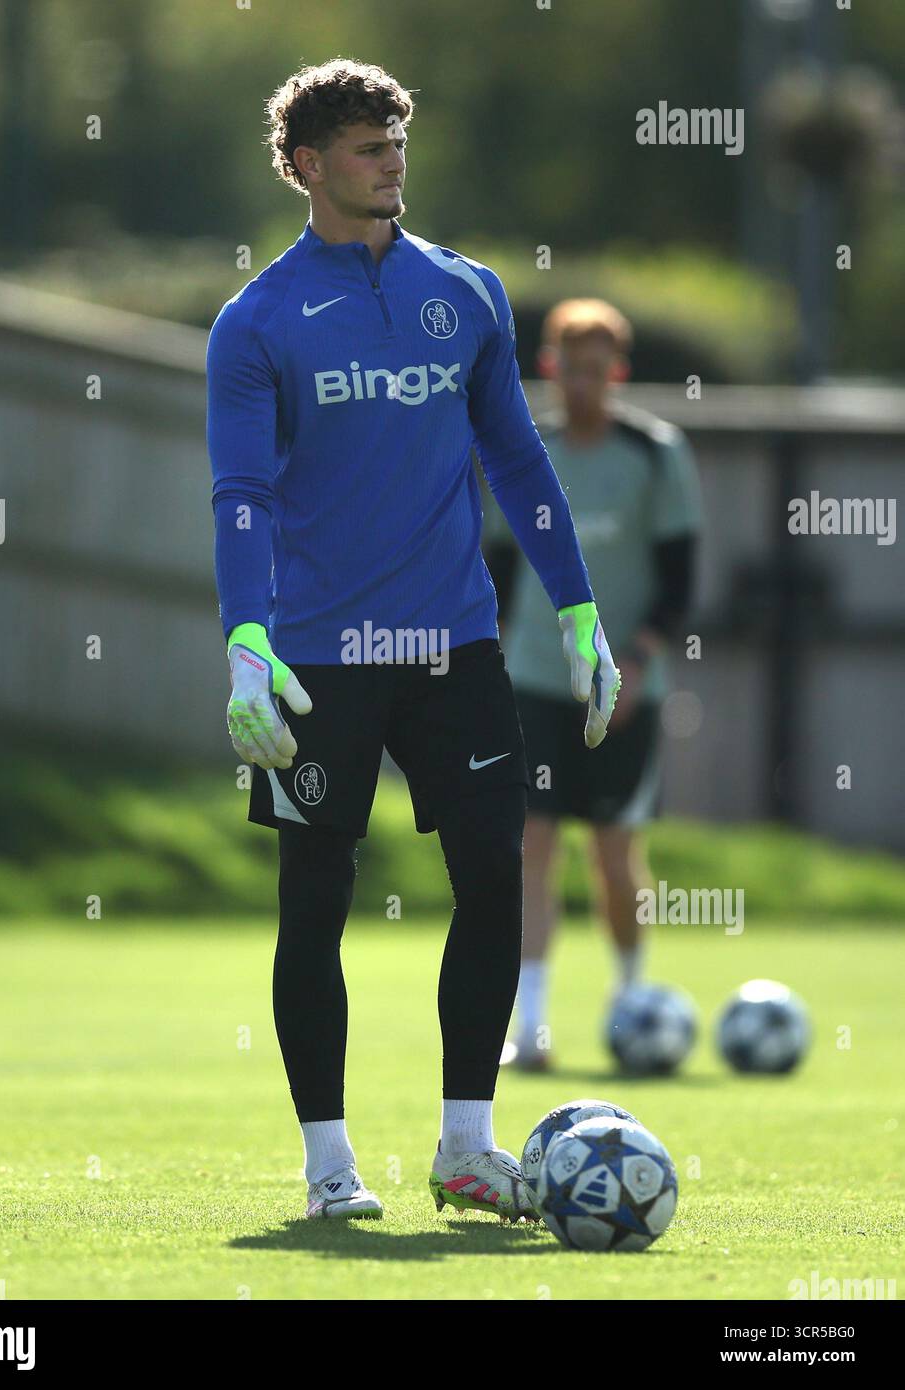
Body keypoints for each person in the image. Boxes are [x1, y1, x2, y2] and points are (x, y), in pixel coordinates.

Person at [206, 61, 619, 1221]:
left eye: (396, 141)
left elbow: (519, 462)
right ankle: (330, 1164)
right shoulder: (257, 322)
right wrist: (247, 640)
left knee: (493, 874)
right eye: (364, 146)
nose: (391, 160)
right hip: (318, 660)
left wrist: (579, 608)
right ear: (305, 165)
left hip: (454, 647)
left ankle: (465, 1146)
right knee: (315, 894)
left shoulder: (469, 291)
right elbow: (239, 493)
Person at [483, 299, 702, 1073]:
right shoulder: (520, 449)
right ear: (548, 367)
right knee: (532, 844)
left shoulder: (655, 453)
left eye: (596, 368)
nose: (581, 382)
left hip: (623, 687)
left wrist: (635, 661)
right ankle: (531, 1027)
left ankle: (631, 1003)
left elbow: (678, 582)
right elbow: (500, 567)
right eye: (567, 367)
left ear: (618, 371)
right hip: (535, 677)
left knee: (613, 853)